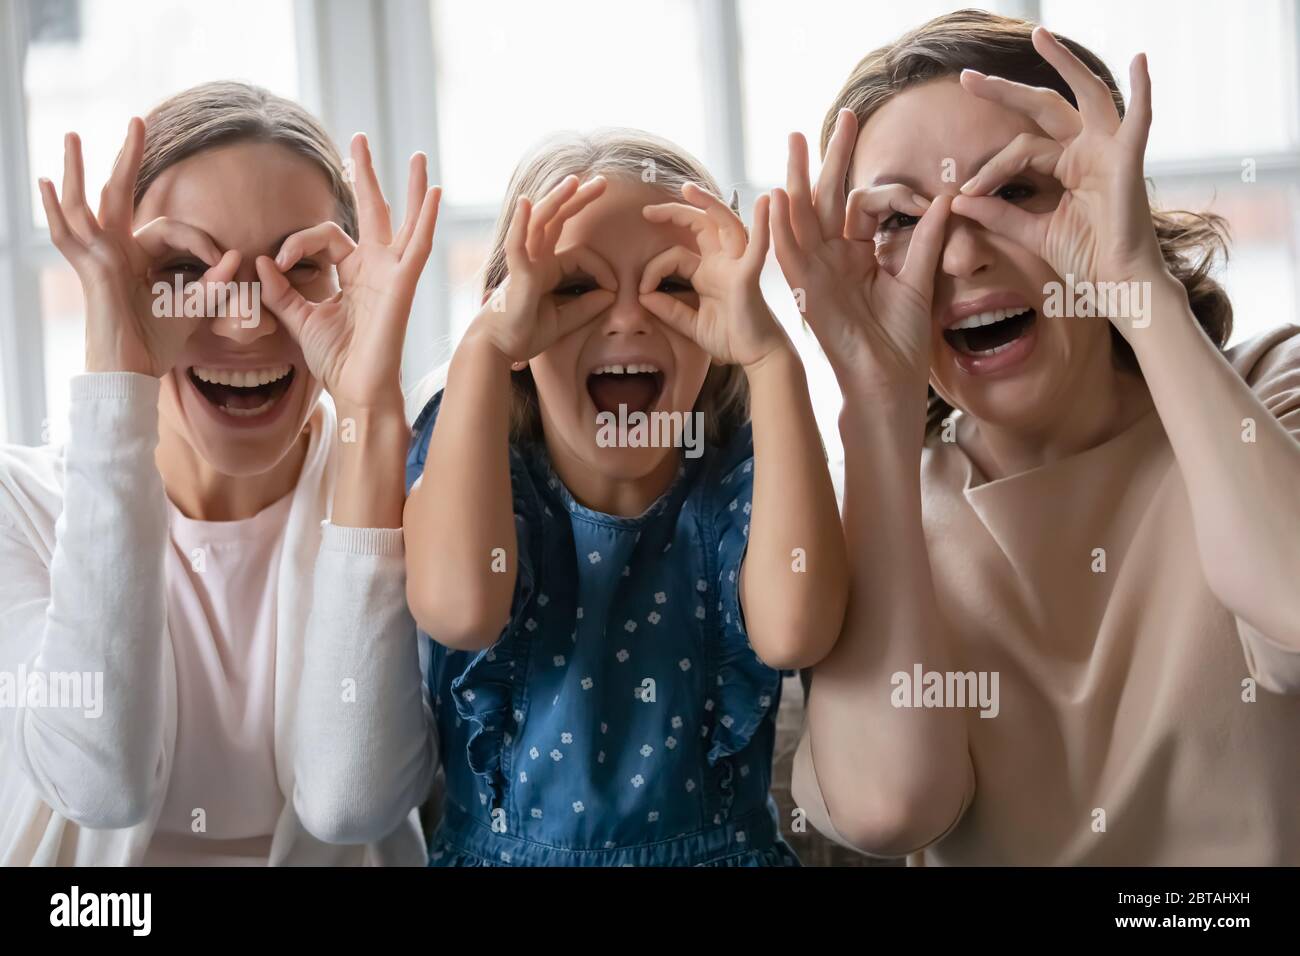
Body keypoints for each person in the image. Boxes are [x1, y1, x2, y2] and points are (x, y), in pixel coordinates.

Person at [778, 10, 1300, 864]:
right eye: (901, 223)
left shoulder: (1273, 389)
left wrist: (1134, 283)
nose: (957, 260)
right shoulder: (878, 517)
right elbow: (888, 808)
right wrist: (875, 405)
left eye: (1016, 189)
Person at [299, 128, 848, 865]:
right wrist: (488, 346)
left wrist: (771, 357)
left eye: (675, 283)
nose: (627, 317)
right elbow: (461, 611)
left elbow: (795, 633)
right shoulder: (475, 466)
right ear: (519, 317)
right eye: (575, 286)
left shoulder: (740, 472)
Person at [0, 81, 439, 865]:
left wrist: (371, 414)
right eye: (184, 268)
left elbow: (353, 801)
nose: (245, 320)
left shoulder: (422, 495)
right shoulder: (16, 504)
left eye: (297, 268)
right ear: (119, 285)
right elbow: (98, 783)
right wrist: (117, 376)